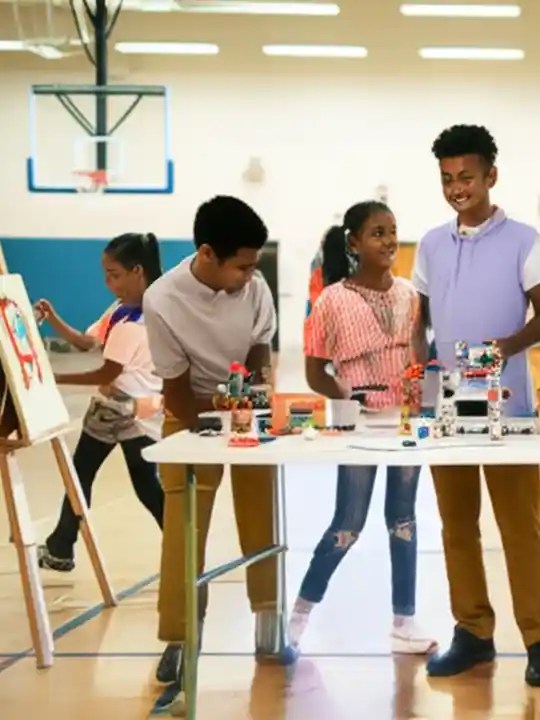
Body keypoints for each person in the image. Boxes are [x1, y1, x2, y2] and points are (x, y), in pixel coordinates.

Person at [411, 124, 540, 687]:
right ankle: (472, 632)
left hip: (508, 408)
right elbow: (418, 323)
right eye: (447, 179)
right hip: (447, 406)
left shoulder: (523, 239)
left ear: (490, 176)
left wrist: (506, 347)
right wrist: (421, 383)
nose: (457, 188)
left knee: (520, 527)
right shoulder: (429, 243)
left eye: (467, 177)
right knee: (456, 525)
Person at [144, 195, 288, 714]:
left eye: (255, 265)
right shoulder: (162, 299)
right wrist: (226, 403)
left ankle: (270, 627)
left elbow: (259, 348)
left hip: (247, 413)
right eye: (243, 265)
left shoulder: (255, 286)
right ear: (208, 254)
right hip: (191, 414)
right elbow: (178, 397)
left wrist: (252, 393)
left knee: (262, 522)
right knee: (184, 533)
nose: (252, 275)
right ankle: (180, 640)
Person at [287, 200, 434, 656]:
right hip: (361, 428)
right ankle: (298, 616)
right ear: (353, 241)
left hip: (407, 426)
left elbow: (423, 358)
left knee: (403, 521)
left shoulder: (411, 295)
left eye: (392, 230)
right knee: (347, 523)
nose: (388, 240)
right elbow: (315, 372)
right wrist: (347, 401)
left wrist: (423, 397)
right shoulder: (331, 300)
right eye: (377, 233)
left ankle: (404, 622)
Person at [35, 233, 166, 572]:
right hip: (132, 411)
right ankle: (61, 547)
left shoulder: (139, 321)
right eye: (105, 274)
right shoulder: (122, 309)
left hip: (123, 409)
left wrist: (55, 379)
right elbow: (85, 342)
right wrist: (52, 317)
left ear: (138, 270)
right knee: (141, 483)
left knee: (83, 477)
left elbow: (106, 372)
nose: (108, 283)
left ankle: (61, 548)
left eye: (115, 274)